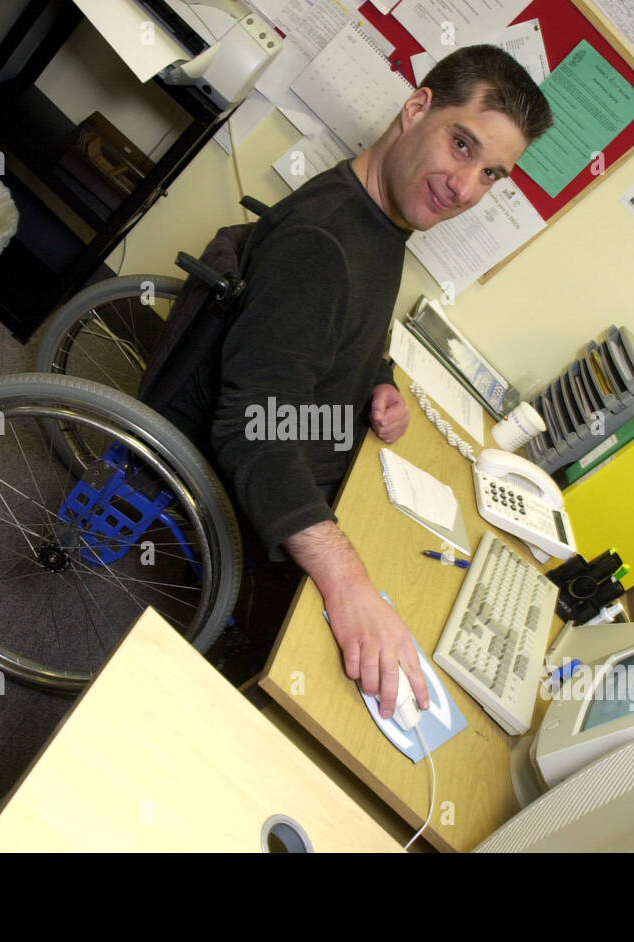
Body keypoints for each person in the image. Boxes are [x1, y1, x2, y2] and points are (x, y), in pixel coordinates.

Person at [160, 44, 552, 718]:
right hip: (256, 493)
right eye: (462, 146)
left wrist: (379, 378)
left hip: (321, 456)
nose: (465, 188)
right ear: (417, 107)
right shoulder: (326, 246)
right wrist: (346, 581)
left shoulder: (382, 219)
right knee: (363, 686)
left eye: (491, 174)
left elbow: (337, 330)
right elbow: (252, 432)